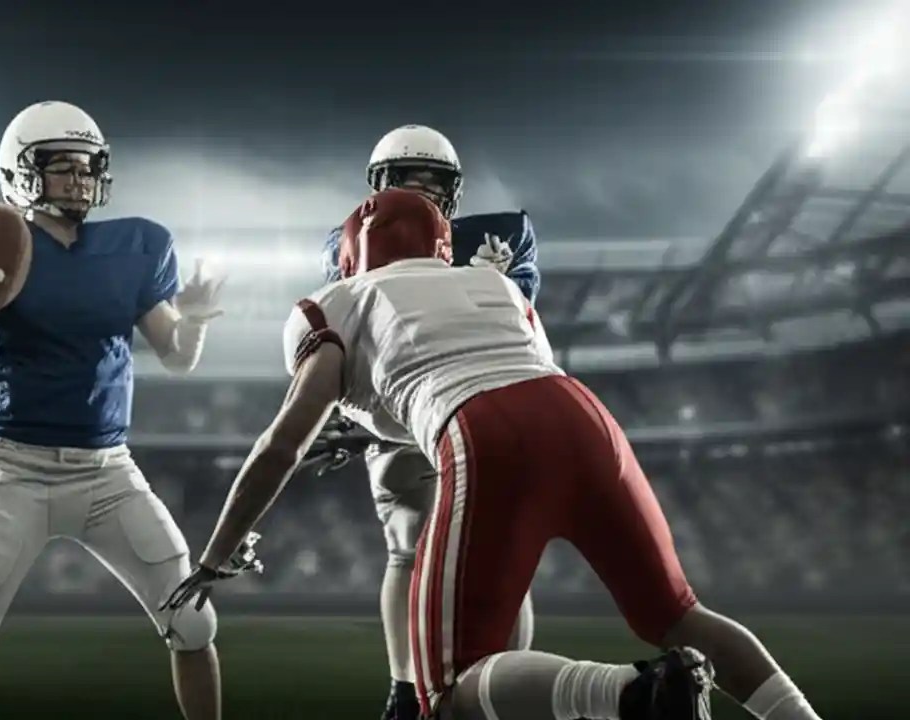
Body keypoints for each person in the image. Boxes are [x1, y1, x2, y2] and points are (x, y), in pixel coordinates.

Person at [165, 188, 825, 720]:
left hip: (488, 434)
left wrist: (219, 551)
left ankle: (632, 695)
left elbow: (285, 440)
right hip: (585, 418)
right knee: (679, 614)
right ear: (442, 244)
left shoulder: (336, 301)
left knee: (449, 691)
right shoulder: (497, 286)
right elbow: (486, 371)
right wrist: (377, 424)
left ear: (349, 258)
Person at [0, 100, 227, 720]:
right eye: (61, 166)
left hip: (109, 472)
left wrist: (200, 315)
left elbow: (177, 356)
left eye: (87, 166)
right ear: (20, 173)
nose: (79, 179)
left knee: (193, 620)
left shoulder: (138, 245)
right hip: (17, 469)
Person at [317, 124, 541, 720]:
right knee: (406, 547)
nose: (418, 191)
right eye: (405, 180)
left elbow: (519, 331)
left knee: (502, 555)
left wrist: (491, 280)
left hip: (485, 402)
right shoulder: (350, 241)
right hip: (400, 413)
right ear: (376, 188)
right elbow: (355, 343)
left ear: (454, 190)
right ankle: (403, 689)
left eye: (431, 181)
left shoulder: (505, 235)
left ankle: (504, 688)